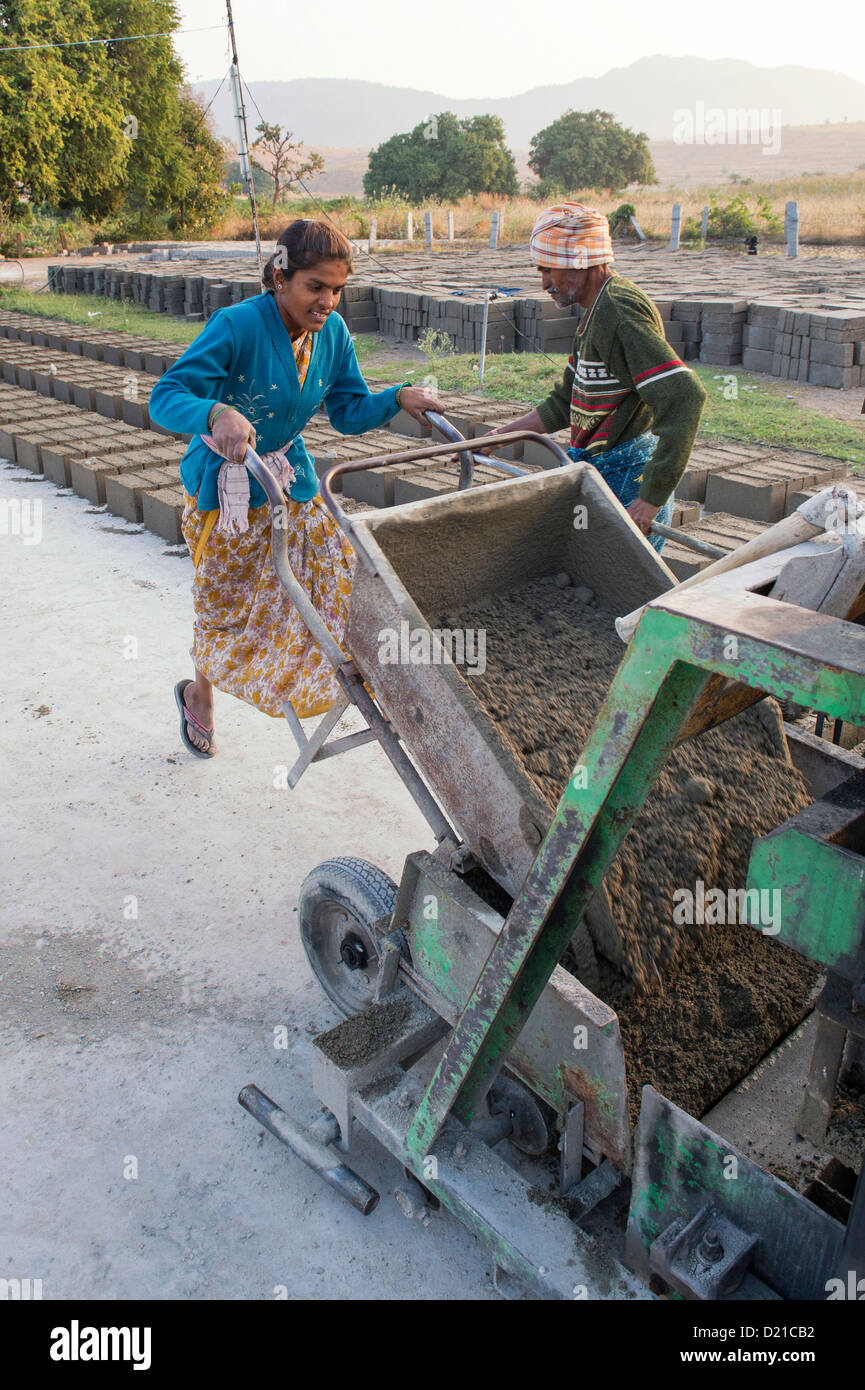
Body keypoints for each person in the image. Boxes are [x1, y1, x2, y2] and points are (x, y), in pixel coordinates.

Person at [148, 219, 436, 756]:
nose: (327, 301)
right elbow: (165, 395)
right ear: (280, 277)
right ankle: (200, 692)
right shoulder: (236, 325)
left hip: (290, 482)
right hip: (228, 490)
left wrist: (398, 397)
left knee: (332, 581)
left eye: (336, 289)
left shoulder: (333, 335)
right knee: (225, 608)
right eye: (315, 286)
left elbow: (348, 411)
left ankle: (329, 685)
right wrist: (214, 412)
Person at [483, 202, 706, 553]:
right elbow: (565, 401)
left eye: (548, 270)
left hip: (627, 477)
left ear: (578, 261)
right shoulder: (594, 313)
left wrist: (649, 500)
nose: (544, 284)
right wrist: (498, 436)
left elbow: (684, 396)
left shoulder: (617, 313)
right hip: (600, 470)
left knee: (620, 590)